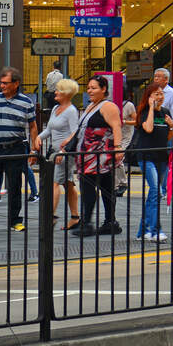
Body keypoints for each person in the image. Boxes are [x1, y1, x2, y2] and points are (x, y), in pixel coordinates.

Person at [0, 67, 38, 231]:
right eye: (1, 83)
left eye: (5, 83)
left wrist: (34, 149)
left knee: (15, 185)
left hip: (15, 147)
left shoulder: (26, 102)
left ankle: (15, 220)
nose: (2, 86)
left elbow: (33, 126)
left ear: (16, 83)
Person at [72, 76, 123, 238]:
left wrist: (118, 148)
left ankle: (88, 222)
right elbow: (81, 129)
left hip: (98, 156)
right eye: (88, 88)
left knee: (89, 188)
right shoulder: (91, 106)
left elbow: (117, 126)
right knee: (106, 188)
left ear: (104, 89)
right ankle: (110, 222)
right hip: (88, 155)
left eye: (93, 88)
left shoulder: (108, 106)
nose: (89, 91)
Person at [132, 86, 171, 242]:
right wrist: (150, 108)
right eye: (156, 94)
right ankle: (155, 230)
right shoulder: (143, 113)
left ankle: (143, 231)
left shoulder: (166, 112)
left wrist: (171, 125)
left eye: (161, 94)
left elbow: (168, 136)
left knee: (154, 195)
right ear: (149, 97)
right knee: (156, 190)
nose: (160, 96)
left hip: (161, 157)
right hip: (146, 156)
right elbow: (148, 128)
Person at [42, 78, 81, 229]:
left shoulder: (71, 111)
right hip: (56, 152)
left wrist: (63, 151)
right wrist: (38, 138)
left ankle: (50, 216)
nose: (55, 92)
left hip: (64, 154)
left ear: (66, 93)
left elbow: (75, 132)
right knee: (68, 183)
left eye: (58, 90)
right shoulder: (55, 108)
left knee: (55, 182)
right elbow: (49, 129)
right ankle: (75, 217)